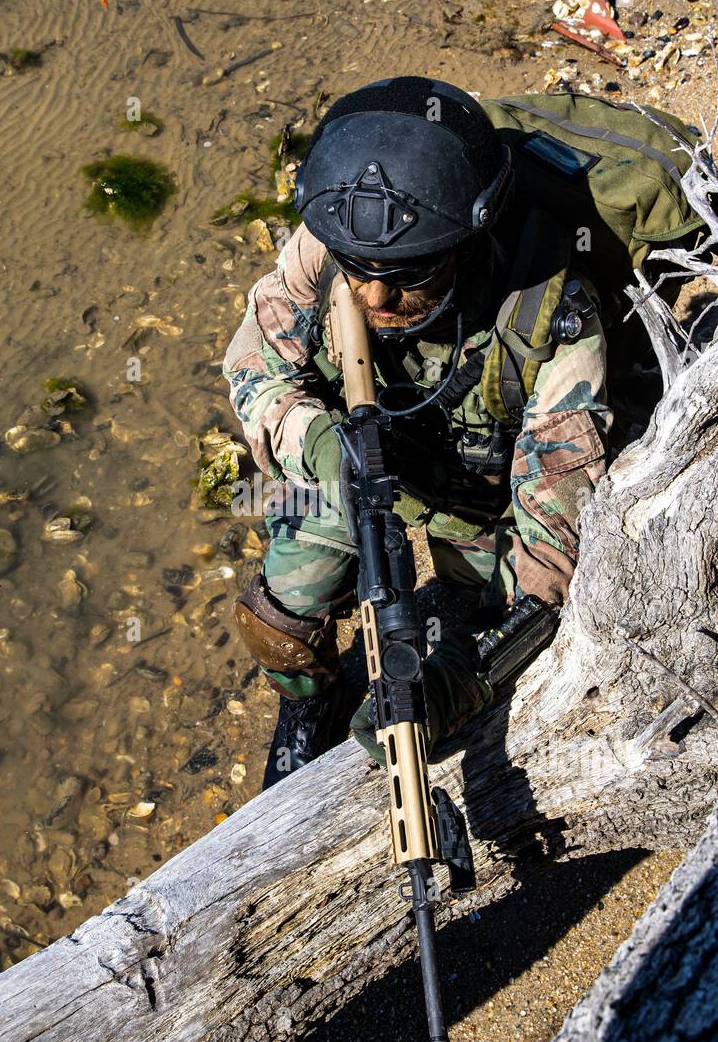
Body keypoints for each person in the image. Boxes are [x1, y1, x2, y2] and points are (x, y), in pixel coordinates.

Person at [221, 75, 699, 786]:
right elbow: (254, 366)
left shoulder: (554, 318)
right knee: (278, 623)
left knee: (487, 631)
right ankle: (308, 704)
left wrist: (462, 678)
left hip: (488, 494)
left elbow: (555, 553)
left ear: (465, 245)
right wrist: (318, 446)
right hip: (353, 457)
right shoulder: (335, 245)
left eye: (406, 275)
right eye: (362, 273)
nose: (376, 296)